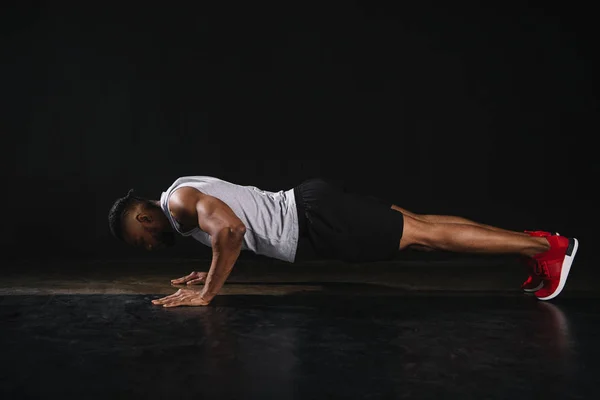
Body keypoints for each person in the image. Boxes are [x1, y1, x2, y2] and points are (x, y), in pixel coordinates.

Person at [107, 176, 578, 307]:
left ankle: (548, 249)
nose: (147, 245)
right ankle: (532, 243)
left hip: (318, 221)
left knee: (426, 236)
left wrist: (208, 294)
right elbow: (236, 226)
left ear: (145, 215)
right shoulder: (180, 196)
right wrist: (211, 270)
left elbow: (232, 230)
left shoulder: (181, 203)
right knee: (422, 230)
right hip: (316, 209)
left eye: (140, 237)